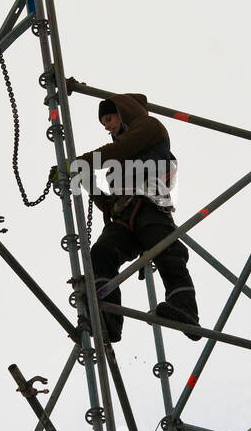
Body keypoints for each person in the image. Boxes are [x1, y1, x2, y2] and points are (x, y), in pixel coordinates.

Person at [73, 89, 201, 343]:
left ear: (123, 112)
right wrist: (84, 179)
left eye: (109, 119)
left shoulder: (149, 128)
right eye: (104, 123)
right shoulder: (117, 157)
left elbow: (123, 147)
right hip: (123, 216)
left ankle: (184, 308)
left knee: (167, 250)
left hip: (150, 205)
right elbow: (109, 202)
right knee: (100, 255)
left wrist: (81, 162)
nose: (107, 126)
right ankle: (107, 320)